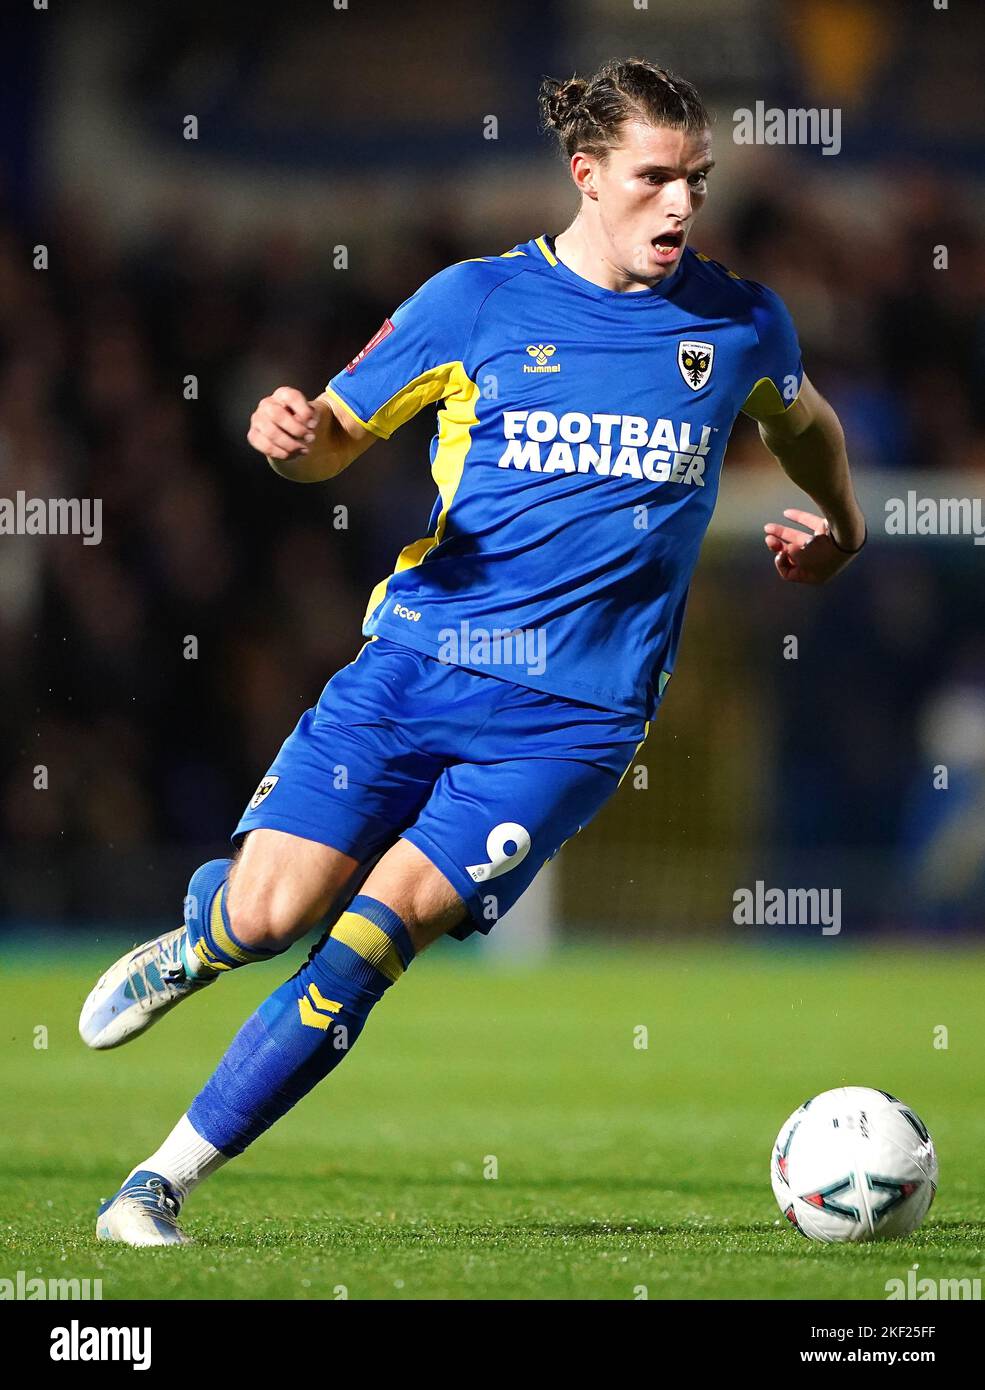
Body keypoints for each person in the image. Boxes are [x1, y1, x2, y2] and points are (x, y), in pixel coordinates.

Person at [80, 57, 866, 1245]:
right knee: (271, 914)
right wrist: (290, 439)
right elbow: (334, 436)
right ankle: (203, 938)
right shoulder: (475, 304)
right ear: (587, 174)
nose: (680, 206)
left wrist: (845, 531)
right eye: (655, 178)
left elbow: (804, 423)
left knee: (369, 942)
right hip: (413, 667)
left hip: (574, 723)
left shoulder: (740, 321)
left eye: (695, 181)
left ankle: (157, 1181)